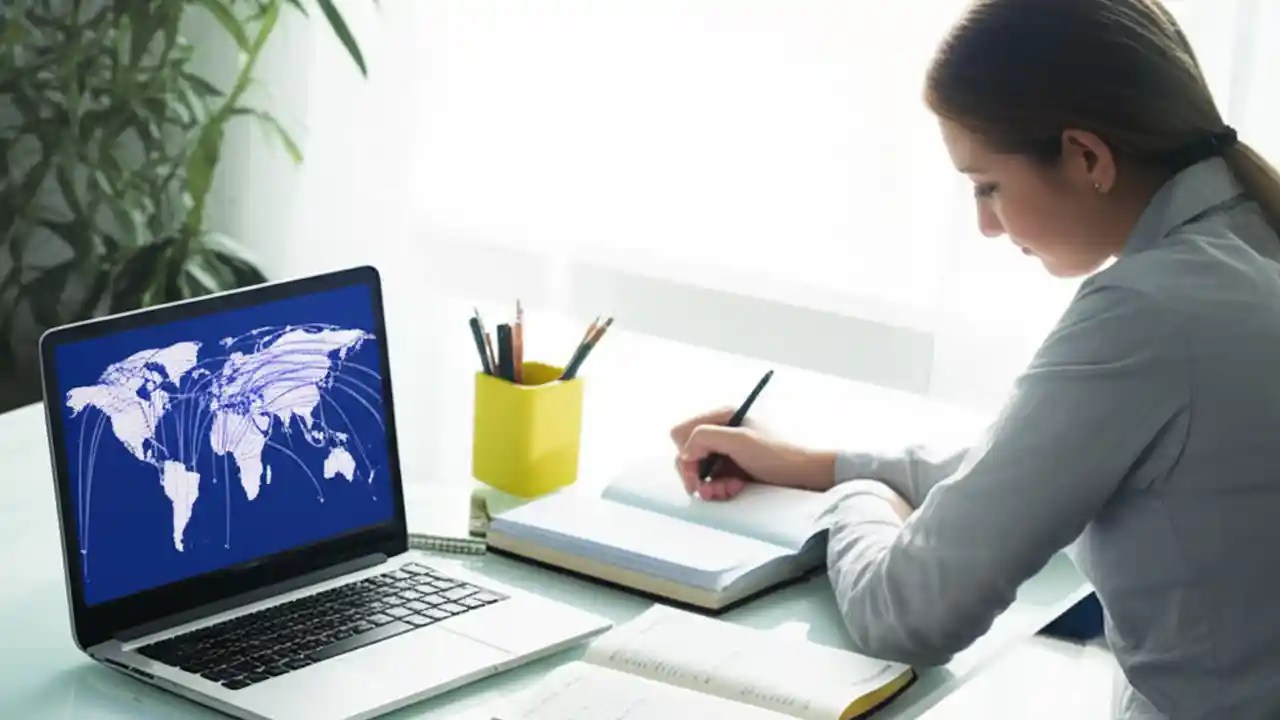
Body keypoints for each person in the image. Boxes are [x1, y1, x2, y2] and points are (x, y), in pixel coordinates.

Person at [668, 1, 1280, 718]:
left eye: (986, 186)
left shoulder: (1148, 312)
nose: (987, 225)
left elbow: (909, 613)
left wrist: (853, 502)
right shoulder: (1245, 249)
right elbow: (1037, 468)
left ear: (1087, 156)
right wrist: (814, 463)